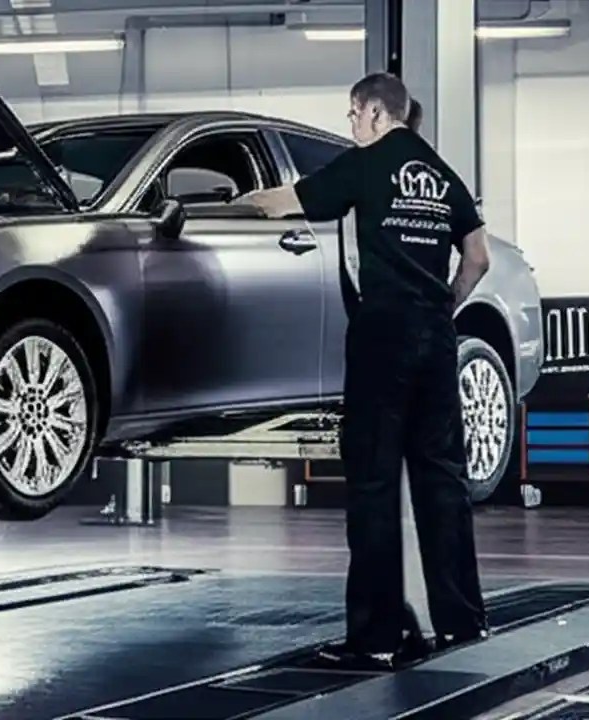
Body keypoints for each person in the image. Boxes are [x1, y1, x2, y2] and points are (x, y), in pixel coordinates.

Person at [235, 73, 492, 670]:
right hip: (436, 339)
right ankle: (462, 621)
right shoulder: (441, 175)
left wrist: (232, 203)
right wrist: (443, 305)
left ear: (376, 112)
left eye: (353, 114)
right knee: (441, 482)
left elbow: (283, 203)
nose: (351, 125)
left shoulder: (366, 164)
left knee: (374, 485)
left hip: (383, 340)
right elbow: (476, 258)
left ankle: (376, 637)